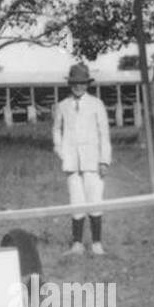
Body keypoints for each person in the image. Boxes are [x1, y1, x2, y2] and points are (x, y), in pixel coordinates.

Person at [52, 63, 112, 257]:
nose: (79, 86)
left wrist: (104, 160)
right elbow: (56, 130)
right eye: (75, 83)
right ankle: (77, 244)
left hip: (93, 162)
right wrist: (61, 151)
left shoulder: (96, 104)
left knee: (94, 201)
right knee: (76, 202)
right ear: (70, 84)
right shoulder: (63, 105)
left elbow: (104, 133)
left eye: (82, 83)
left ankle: (96, 243)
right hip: (71, 163)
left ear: (87, 84)